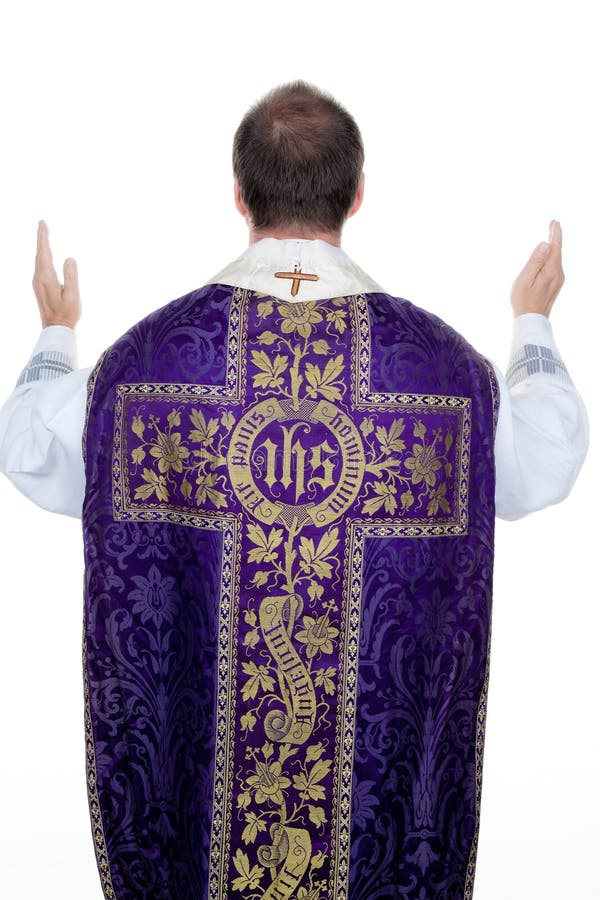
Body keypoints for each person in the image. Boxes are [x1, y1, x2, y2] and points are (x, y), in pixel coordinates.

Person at [0, 80, 588, 900]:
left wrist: (57, 335)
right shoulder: (445, 371)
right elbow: (547, 463)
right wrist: (532, 324)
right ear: (357, 195)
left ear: (238, 196)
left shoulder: (151, 362)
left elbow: (32, 450)